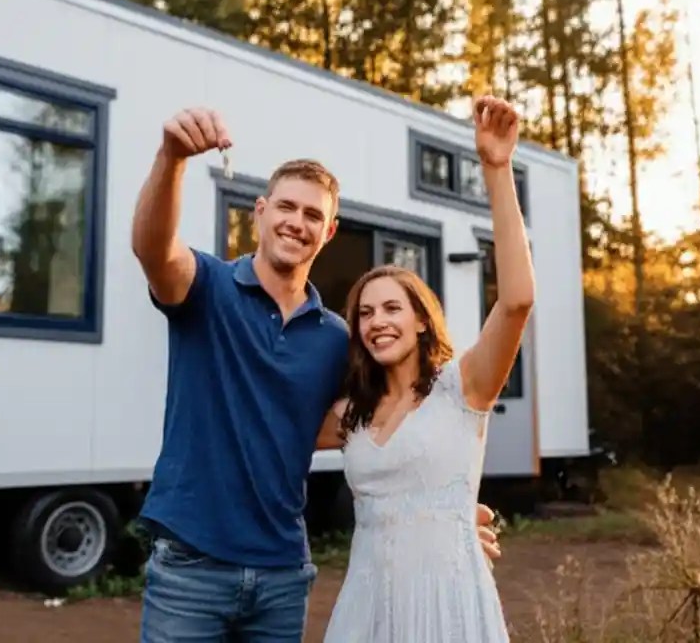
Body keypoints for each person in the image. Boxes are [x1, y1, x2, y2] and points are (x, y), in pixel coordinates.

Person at [129, 106, 502, 642]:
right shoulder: (205, 287)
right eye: (285, 206)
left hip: (282, 576)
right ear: (259, 213)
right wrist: (172, 160)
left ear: (327, 232)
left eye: (312, 215)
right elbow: (151, 248)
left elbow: (382, 427)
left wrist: (443, 520)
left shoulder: (336, 339)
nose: (296, 223)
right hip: (191, 567)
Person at [316, 95, 532, 642]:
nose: (376, 321)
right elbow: (266, 445)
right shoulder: (350, 414)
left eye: (392, 308)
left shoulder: (464, 388)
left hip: (447, 602)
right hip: (367, 608)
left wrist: (497, 170)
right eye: (365, 312)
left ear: (420, 322)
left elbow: (516, 302)